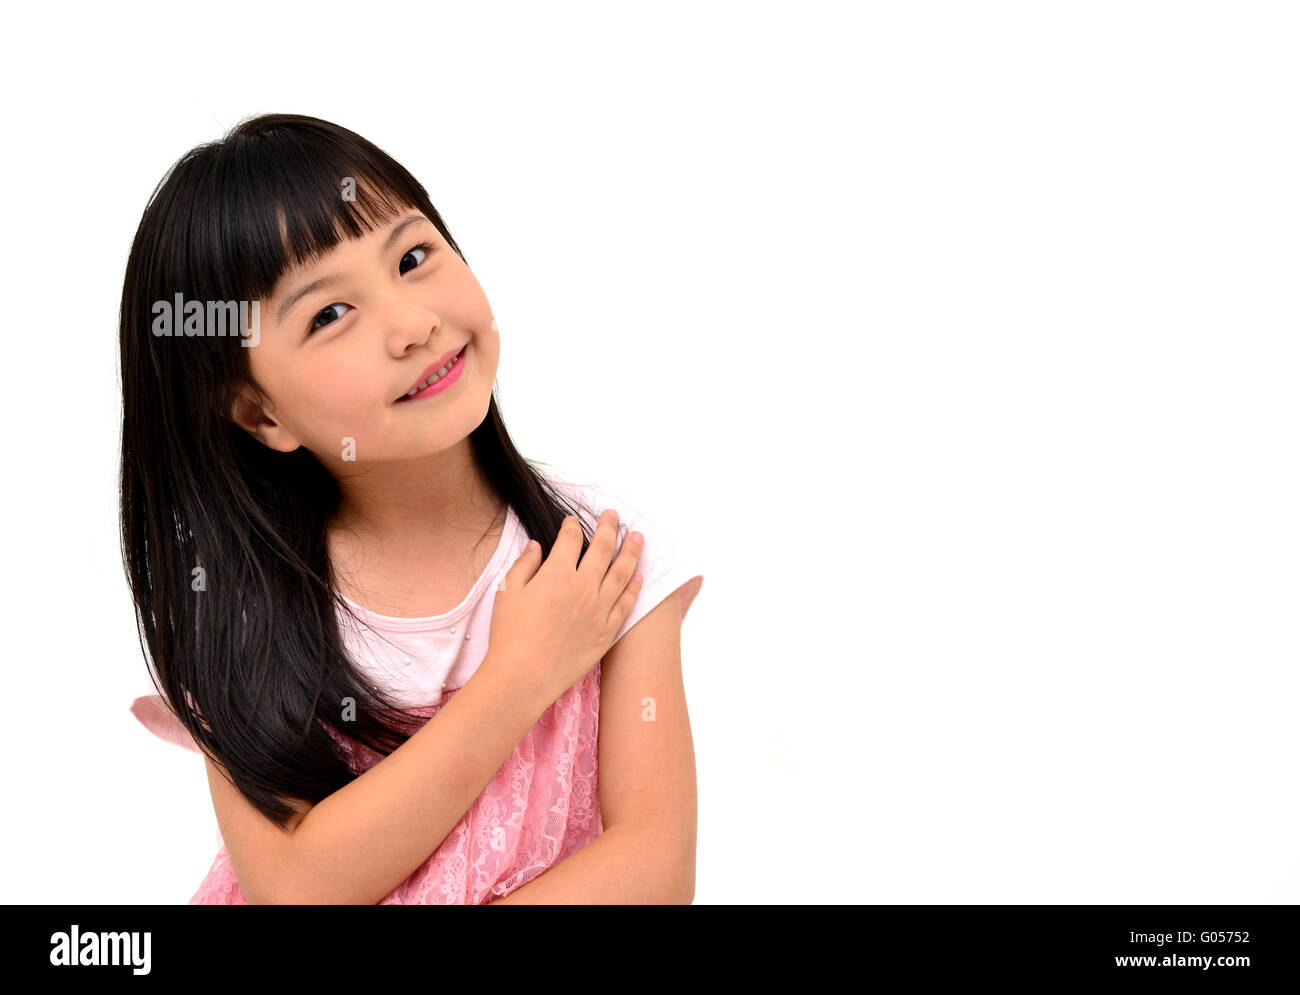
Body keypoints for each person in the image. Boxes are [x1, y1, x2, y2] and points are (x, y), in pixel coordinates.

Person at [120, 113, 704, 904]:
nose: (414, 324)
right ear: (262, 414)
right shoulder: (241, 604)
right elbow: (297, 887)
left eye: (413, 257)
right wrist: (520, 674)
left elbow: (653, 870)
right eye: (330, 314)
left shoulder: (599, 554)